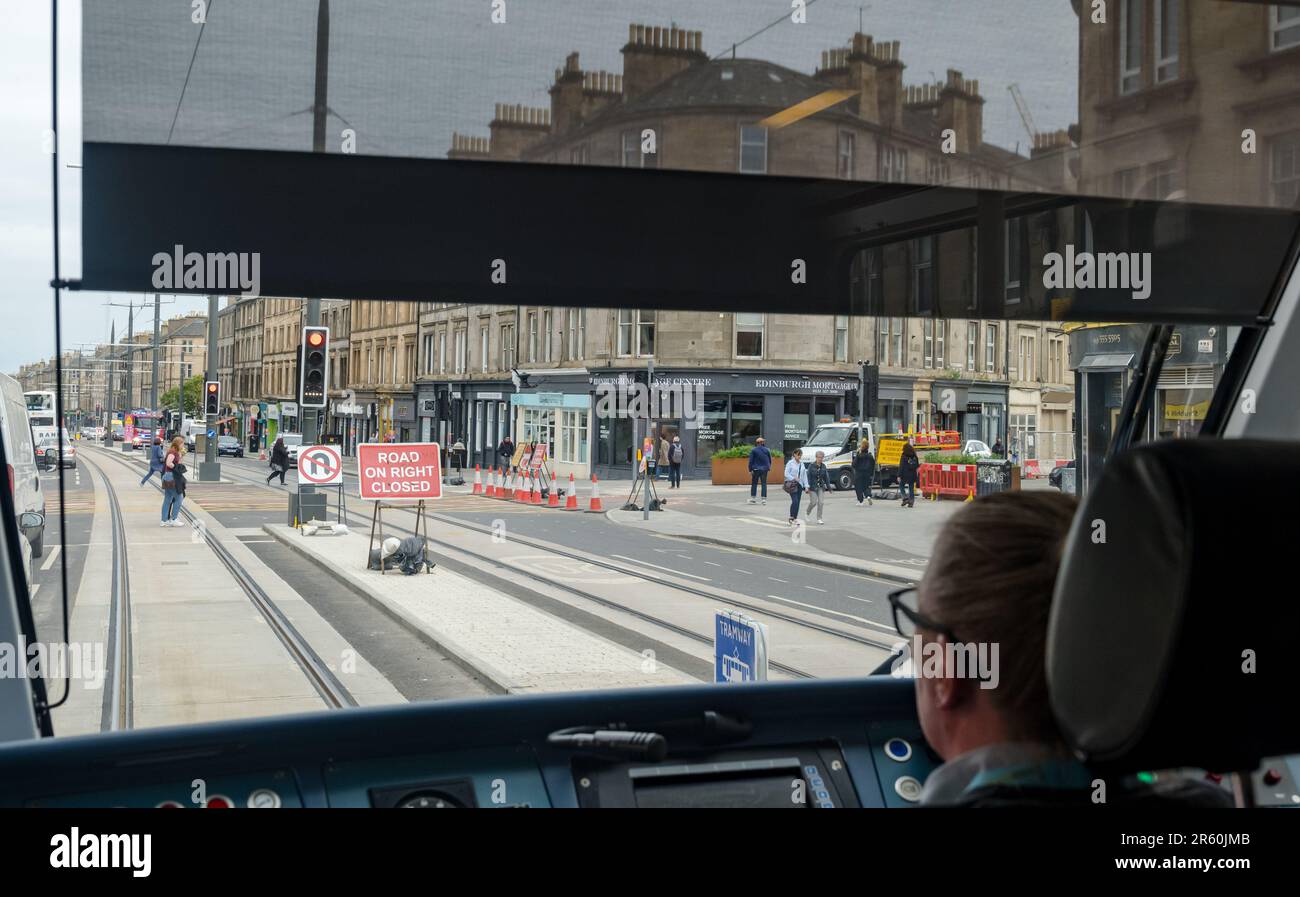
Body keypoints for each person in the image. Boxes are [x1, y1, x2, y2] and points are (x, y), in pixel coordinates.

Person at [160, 437, 186, 526]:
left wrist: (181, 455)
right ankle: (173, 519)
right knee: (179, 497)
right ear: (178, 443)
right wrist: (175, 467)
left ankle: (164, 520)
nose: (183, 445)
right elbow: (168, 463)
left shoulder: (174, 451)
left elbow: (177, 462)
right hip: (171, 476)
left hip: (168, 476)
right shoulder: (173, 452)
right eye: (182, 443)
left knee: (168, 498)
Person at [805, 450, 832, 525]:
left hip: (821, 487)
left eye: (821, 457)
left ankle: (819, 518)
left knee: (821, 502)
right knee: (813, 502)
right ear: (816, 457)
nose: (820, 459)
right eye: (818, 457)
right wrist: (807, 487)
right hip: (812, 487)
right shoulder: (811, 466)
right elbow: (808, 476)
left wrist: (829, 488)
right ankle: (807, 512)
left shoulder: (823, 466)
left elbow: (826, 477)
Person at [783, 448, 809, 524]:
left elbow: (804, 476)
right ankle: (791, 517)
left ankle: (795, 518)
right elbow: (786, 473)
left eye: (800, 455)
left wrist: (806, 486)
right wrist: (794, 478)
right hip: (792, 484)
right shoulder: (790, 463)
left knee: (798, 502)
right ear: (794, 454)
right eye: (798, 455)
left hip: (800, 485)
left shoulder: (802, 464)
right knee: (795, 501)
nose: (799, 456)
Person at [747, 436, 771, 505]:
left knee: (754, 483)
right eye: (763, 441)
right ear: (762, 443)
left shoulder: (753, 450)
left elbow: (751, 461)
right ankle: (763, 499)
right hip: (764, 469)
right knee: (764, 483)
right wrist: (768, 467)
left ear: (757, 443)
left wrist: (750, 469)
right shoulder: (767, 450)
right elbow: (769, 460)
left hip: (756, 469)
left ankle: (753, 498)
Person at [852, 437, 875, 506]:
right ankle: (868, 496)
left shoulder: (859, 455)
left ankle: (860, 501)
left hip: (859, 473)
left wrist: (856, 455)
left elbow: (854, 464)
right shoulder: (870, 456)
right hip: (867, 474)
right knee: (866, 486)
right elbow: (873, 465)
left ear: (861, 447)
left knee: (858, 486)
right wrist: (871, 474)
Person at [898, 441, 920, 508]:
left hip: (905, 474)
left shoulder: (904, 455)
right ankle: (911, 502)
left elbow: (901, 466)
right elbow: (917, 465)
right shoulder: (914, 456)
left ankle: (905, 498)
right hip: (912, 475)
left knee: (901, 485)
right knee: (911, 488)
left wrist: (899, 475)